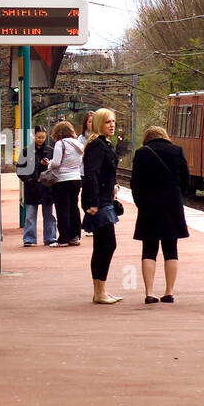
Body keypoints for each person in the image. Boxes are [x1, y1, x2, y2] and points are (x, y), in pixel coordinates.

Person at [130, 126, 190, 304]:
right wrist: (177, 197)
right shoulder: (177, 151)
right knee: (171, 250)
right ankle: (169, 292)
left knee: (149, 249)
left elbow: (135, 183)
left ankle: (149, 293)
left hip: (149, 204)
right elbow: (185, 179)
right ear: (165, 136)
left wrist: (140, 203)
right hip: (172, 204)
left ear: (147, 139)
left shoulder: (141, 153)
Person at [81, 108, 122, 304]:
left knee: (102, 245)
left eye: (113, 121)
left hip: (105, 200)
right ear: (99, 124)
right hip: (100, 202)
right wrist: (94, 203)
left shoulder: (104, 144)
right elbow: (91, 174)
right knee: (106, 245)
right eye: (107, 122)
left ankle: (100, 290)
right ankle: (99, 291)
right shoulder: (97, 146)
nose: (112, 125)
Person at [17, 125, 57, 246]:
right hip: (32, 186)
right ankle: (29, 238)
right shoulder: (26, 151)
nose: (41, 140)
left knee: (49, 214)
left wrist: (47, 165)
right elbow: (20, 169)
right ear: (34, 136)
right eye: (39, 137)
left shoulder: (50, 150)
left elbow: (55, 167)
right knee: (30, 215)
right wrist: (28, 180)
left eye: (43, 137)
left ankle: (50, 237)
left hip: (47, 186)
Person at [47, 120, 83, 246]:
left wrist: (49, 164)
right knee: (74, 208)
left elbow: (56, 162)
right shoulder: (78, 144)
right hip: (76, 179)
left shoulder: (60, 144)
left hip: (62, 180)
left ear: (58, 132)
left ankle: (63, 238)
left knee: (62, 209)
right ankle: (75, 236)